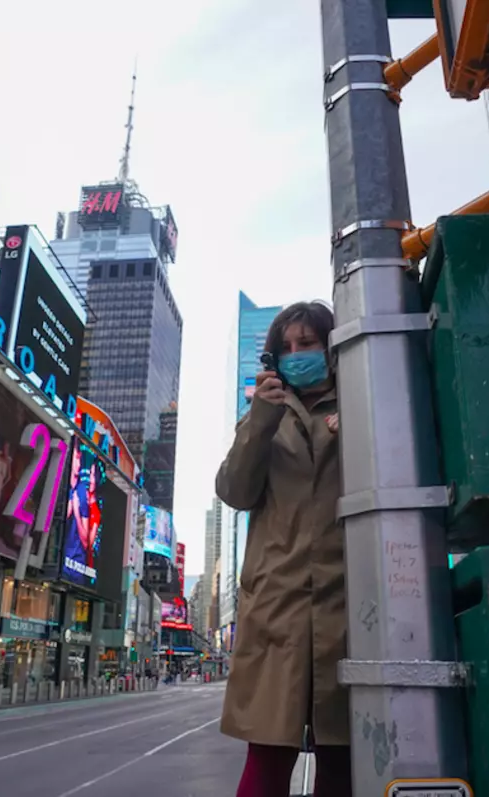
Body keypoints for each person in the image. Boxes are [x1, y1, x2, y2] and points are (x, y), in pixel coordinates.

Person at [215, 301, 350, 797]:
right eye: (286, 348)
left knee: (345, 756)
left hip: (350, 606)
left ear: (331, 347)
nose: (296, 355)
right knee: (267, 758)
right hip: (277, 610)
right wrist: (260, 419)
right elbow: (233, 491)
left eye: (307, 344)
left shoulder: (360, 397)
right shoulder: (263, 417)